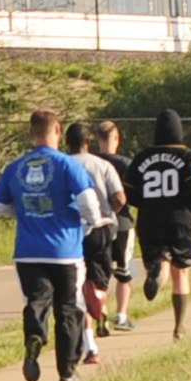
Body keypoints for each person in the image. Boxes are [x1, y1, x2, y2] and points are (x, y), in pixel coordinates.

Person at [0, 107, 104, 381]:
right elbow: (88, 201)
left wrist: (25, 210)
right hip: (65, 251)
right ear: (57, 132)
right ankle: (67, 372)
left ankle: (35, 334)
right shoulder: (67, 165)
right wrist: (91, 222)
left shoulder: (16, 167)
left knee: (37, 300)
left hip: (28, 252)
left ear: (31, 133)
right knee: (68, 308)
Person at [126, 109, 191, 337]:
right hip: (180, 219)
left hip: (150, 220)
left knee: (159, 261)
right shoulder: (189, 156)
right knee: (181, 271)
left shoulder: (142, 157)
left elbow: (129, 191)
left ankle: (156, 275)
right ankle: (179, 326)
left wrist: (147, 204)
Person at [76, 119, 132, 348]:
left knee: (84, 278)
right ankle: (120, 313)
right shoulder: (118, 164)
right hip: (113, 225)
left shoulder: (68, 164)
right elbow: (122, 197)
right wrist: (110, 213)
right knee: (118, 273)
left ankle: (95, 320)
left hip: (76, 228)